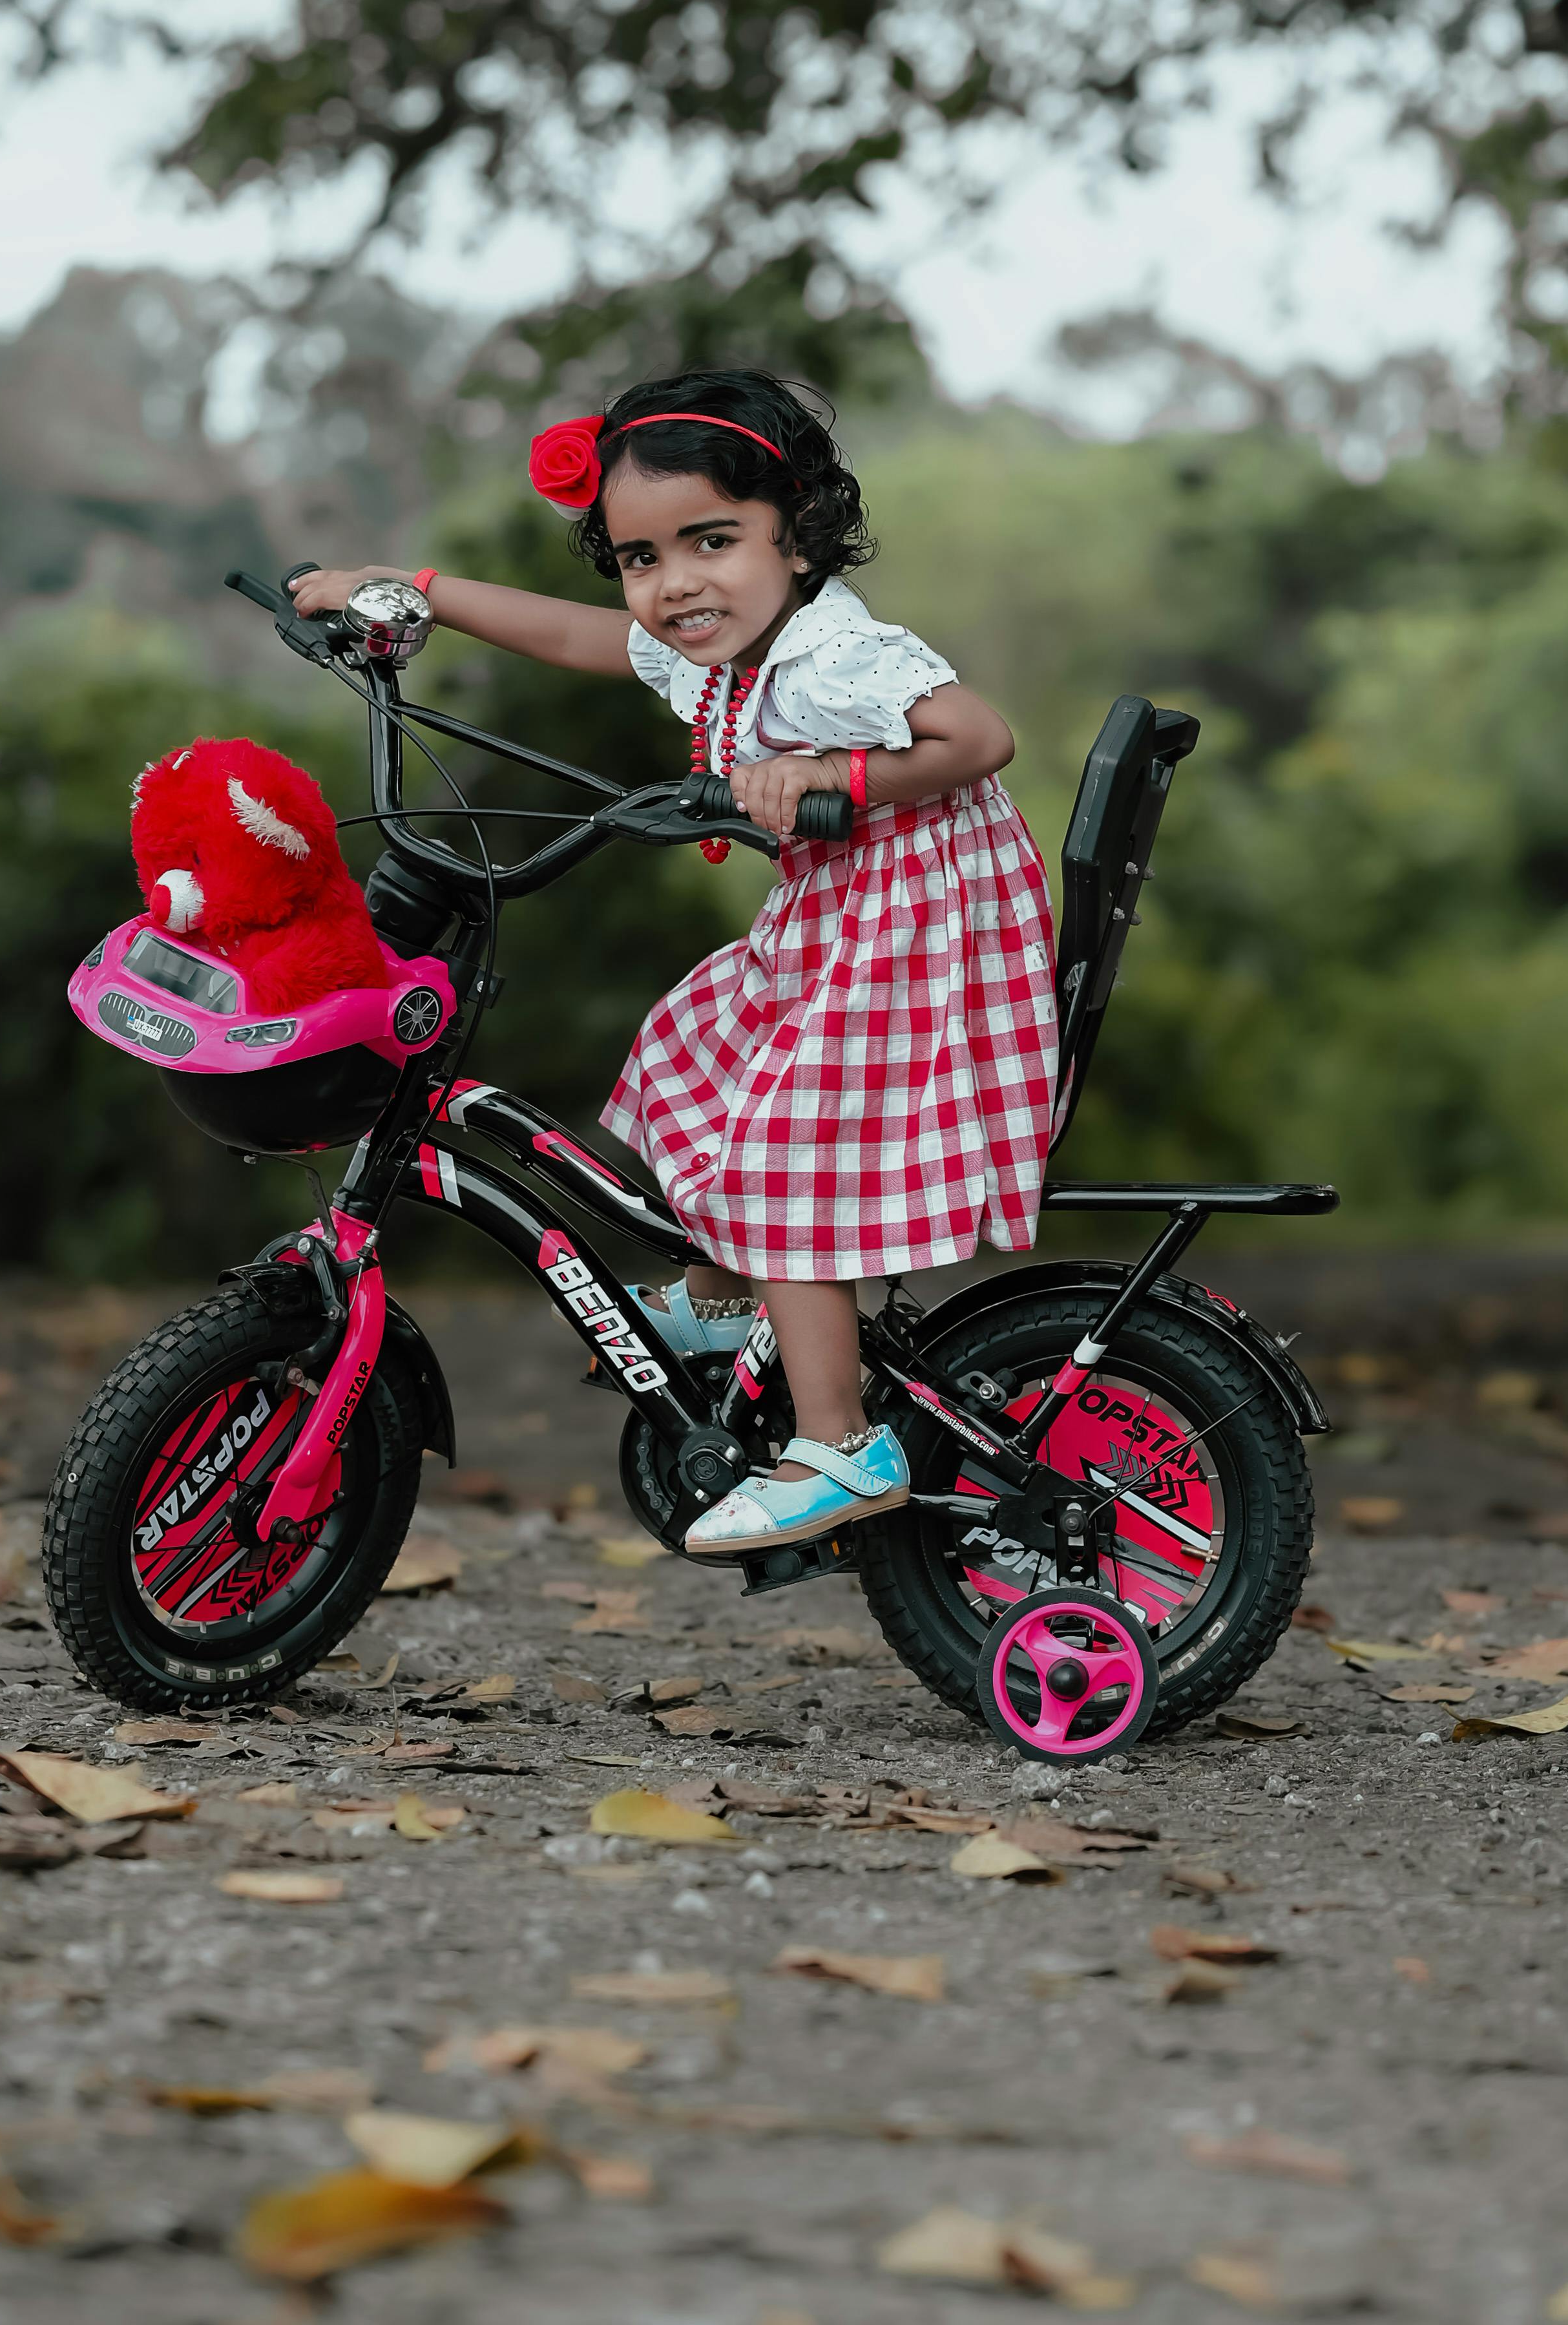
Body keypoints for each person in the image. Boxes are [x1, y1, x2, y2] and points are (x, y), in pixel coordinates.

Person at [289, 370, 1059, 1555]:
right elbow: (582, 635)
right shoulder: (731, 654)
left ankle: (842, 1446)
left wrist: (830, 777)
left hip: (924, 937)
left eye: (712, 540)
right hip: (851, 917)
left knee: (783, 1160)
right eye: (644, 557)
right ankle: (716, 1303)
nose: (675, 583)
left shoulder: (832, 660)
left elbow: (980, 737)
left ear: (797, 536)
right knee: (696, 1043)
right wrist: (419, 596)